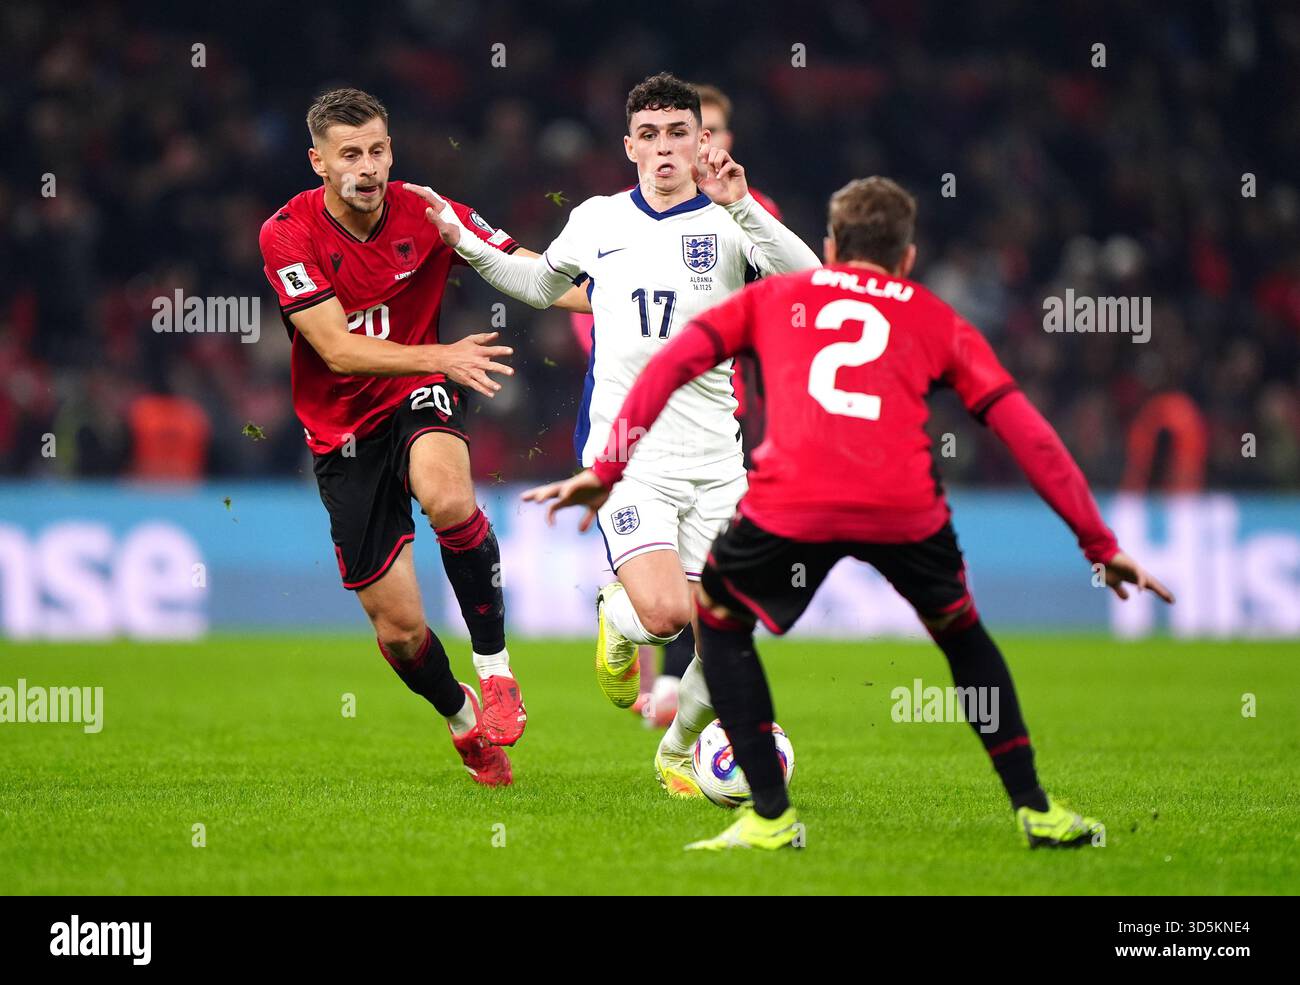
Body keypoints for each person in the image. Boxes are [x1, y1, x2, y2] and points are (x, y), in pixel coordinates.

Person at [524, 176, 1175, 850]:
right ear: (908, 258)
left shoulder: (780, 295)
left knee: (718, 620)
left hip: (796, 497)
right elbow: (1026, 431)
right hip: (904, 504)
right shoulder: (935, 317)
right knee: (964, 637)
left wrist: (603, 470)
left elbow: (670, 366)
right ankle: (1036, 808)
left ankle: (772, 819)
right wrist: (1098, 542)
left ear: (831, 246)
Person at [409, 73, 819, 797]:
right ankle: (620, 616)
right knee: (667, 615)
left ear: (703, 141)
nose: (665, 148)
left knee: (730, 627)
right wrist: (464, 243)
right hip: (631, 457)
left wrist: (746, 205)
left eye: (679, 133)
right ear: (629, 146)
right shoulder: (599, 220)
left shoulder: (731, 221)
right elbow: (539, 285)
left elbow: (811, 282)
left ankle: (674, 751)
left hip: (719, 462)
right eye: (651, 135)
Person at [258, 87, 589, 786]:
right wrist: (441, 354)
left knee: (447, 496)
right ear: (319, 162)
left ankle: (495, 671)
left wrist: (630, 292)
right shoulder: (286, 233)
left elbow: (533, 272)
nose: (368, 166)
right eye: (351, 154)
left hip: (415, 393)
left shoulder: (429, 212)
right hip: (342, 431)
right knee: (401, 631)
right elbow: (337, 350)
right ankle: (464, 717)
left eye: (378, 149)